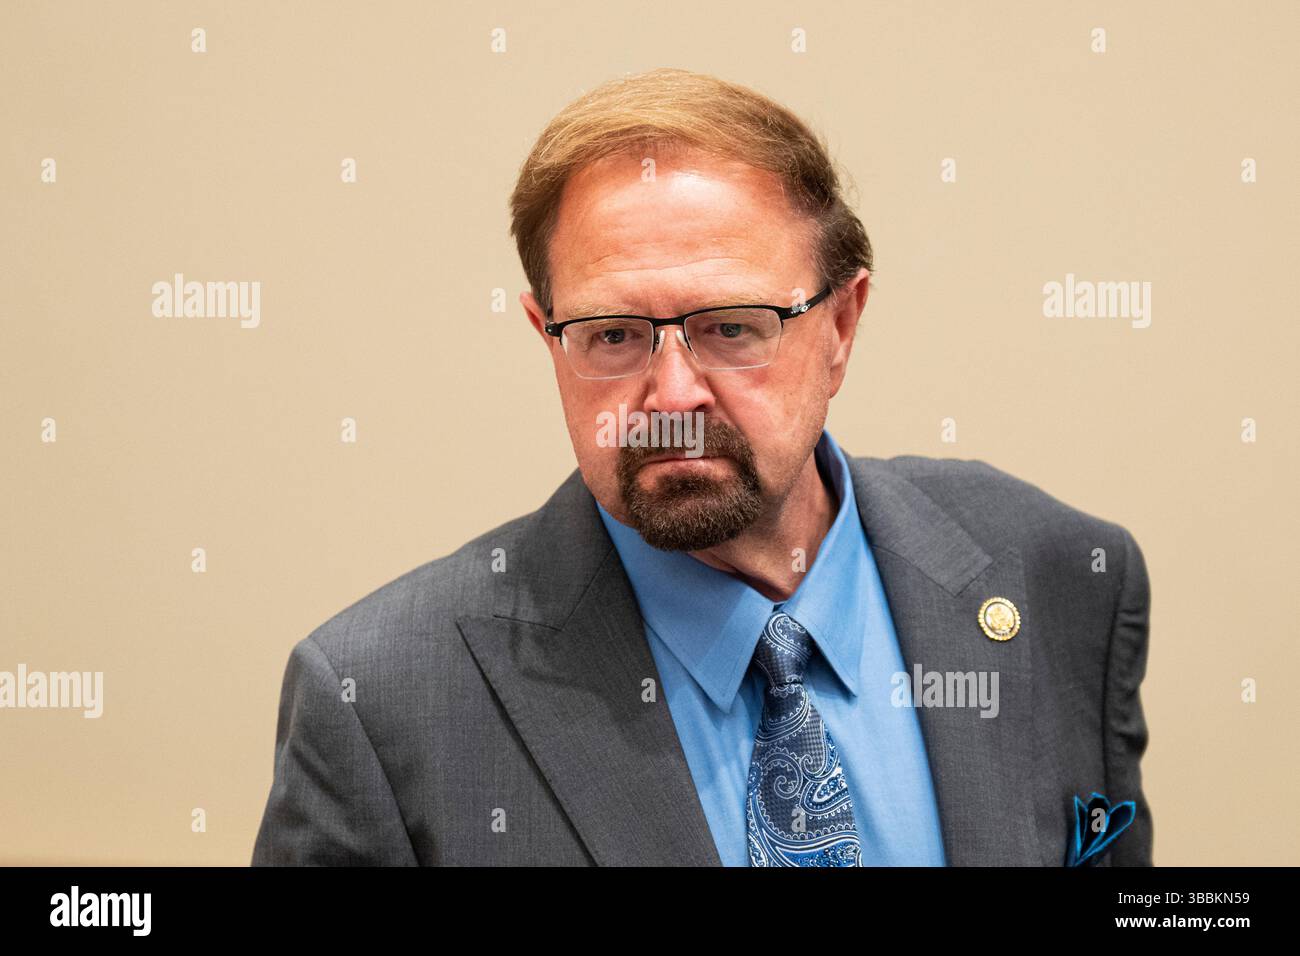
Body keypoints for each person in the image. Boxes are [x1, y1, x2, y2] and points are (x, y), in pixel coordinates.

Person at [251, 68, 1152, 866]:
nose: (672, 397)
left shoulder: (1060, 578)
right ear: (546, 337)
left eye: (730, 327)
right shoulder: (384, 702)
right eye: (612, 335)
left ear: (840, 327)